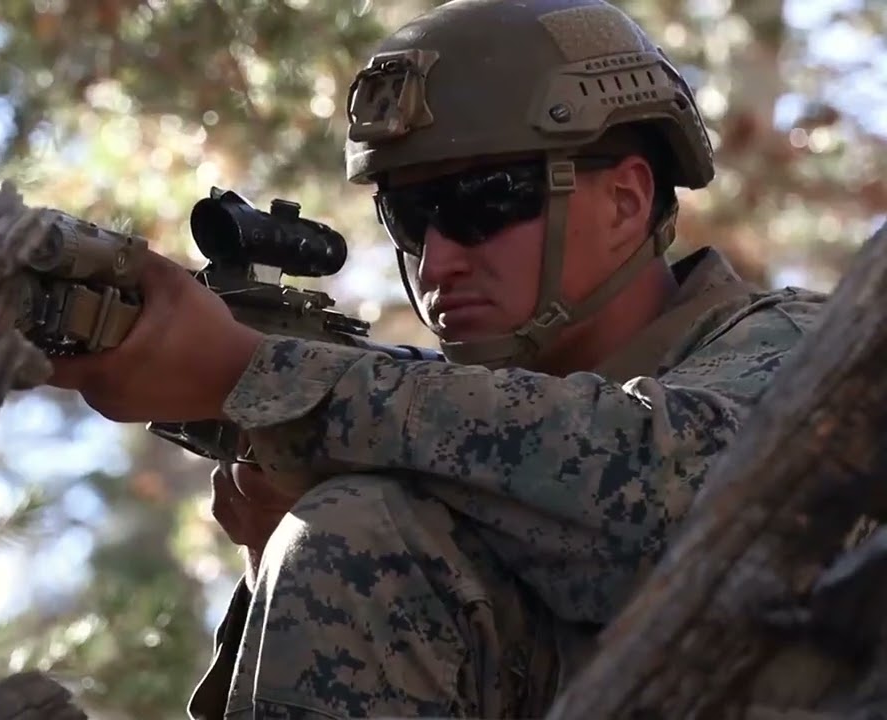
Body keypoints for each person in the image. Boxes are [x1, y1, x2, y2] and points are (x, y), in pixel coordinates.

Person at [48, 0, 828, 717]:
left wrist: (255, 374)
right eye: (411, 219)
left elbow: (671, 500)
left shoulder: (798, 347)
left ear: (624, 202)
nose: (437, 262)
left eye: (482, 204)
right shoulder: (444, 443)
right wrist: (278, 558)